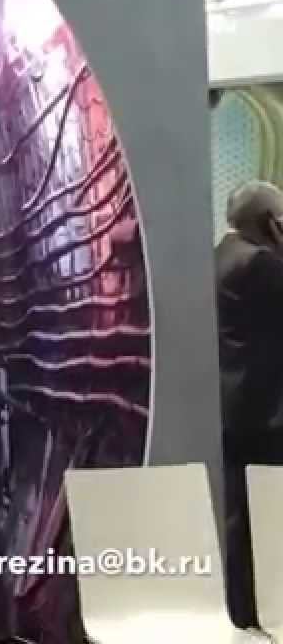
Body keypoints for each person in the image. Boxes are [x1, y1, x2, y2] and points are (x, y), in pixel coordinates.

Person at [215, 180, 283, 628]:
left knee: (240, 515)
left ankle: (243, 611)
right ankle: (265, 613)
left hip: (233, 408)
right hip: (267, 413)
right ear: (269, 221)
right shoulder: (261, 263)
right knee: (268, 515)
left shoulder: (221, 255)